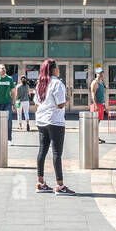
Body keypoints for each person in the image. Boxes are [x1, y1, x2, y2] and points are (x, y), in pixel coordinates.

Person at [34, 58, 73, 194]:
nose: (59, 70)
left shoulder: (40, 84)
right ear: (52, 69)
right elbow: (61, 103)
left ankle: (40, 182)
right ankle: (60, 185)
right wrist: (67, 99)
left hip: (41, 120)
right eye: (57, 68)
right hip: (55, 121)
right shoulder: (57, 83)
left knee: (42, 151)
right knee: (57, 153)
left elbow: (37, 104)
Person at [90, 66, 107, 143]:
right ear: (96, 73)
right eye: (99, 73)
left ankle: (96, 137)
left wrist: (103, 105)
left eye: (102, 72)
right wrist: (96, 105)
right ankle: (93, 138)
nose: (101, 74)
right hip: (96, 105)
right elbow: (93, 94)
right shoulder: (95, 82)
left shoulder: (102, 82)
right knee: (95, 122)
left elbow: (102, 94)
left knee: (98, 122)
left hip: (101, 104)